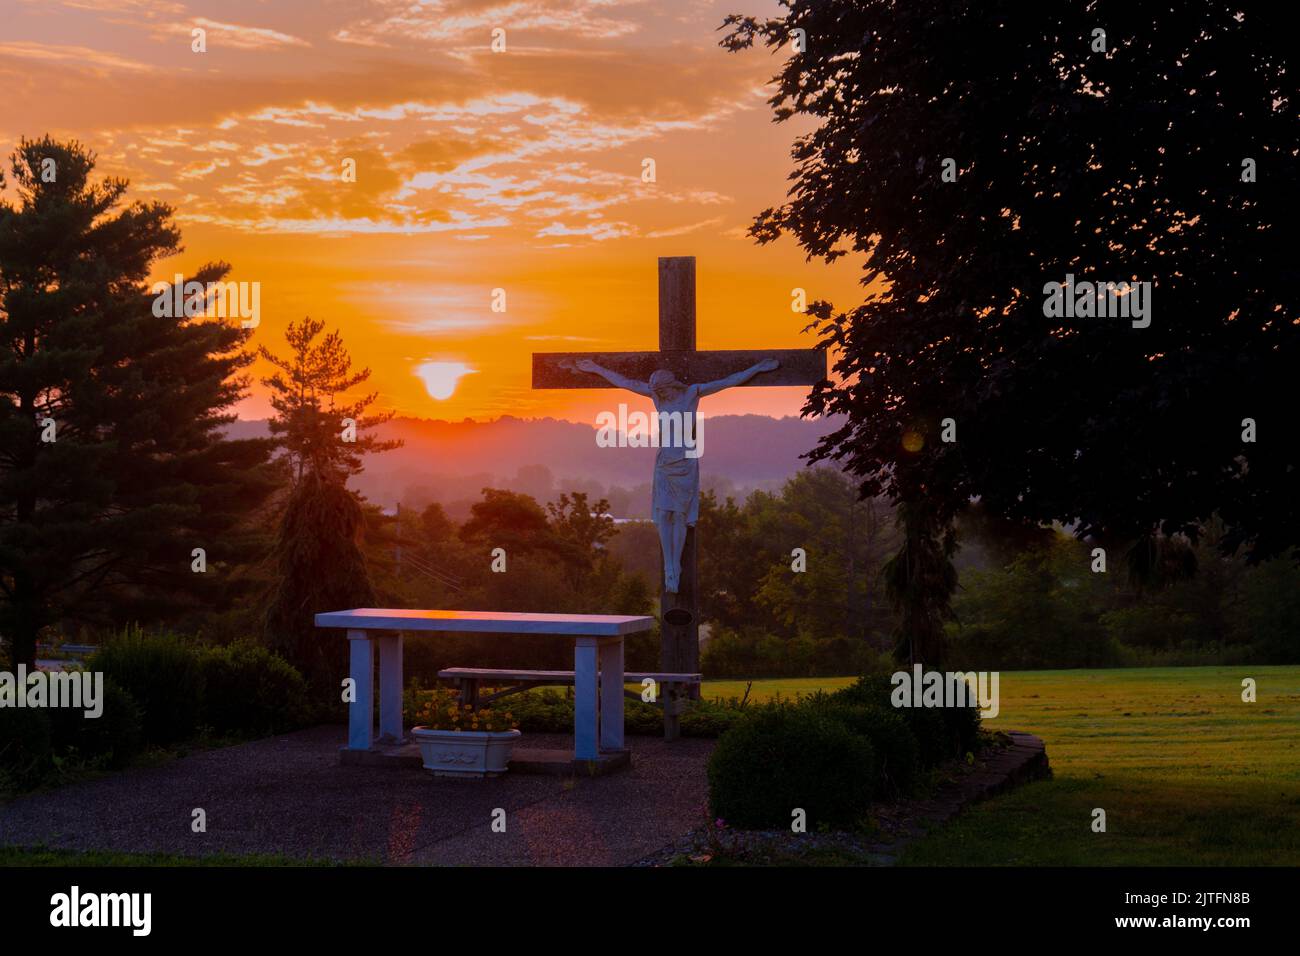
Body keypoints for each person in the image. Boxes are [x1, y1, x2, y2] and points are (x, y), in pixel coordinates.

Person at [567, 356, 779, 592]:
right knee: (663, 513)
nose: (661, 395)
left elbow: (728, 381)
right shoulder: (657, 398)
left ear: (671, 385)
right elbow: (625, 382)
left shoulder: (692, 393)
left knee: (679, 515)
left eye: (663, 390)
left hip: (685, 462)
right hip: (665, 462)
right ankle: (669, 567)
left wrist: (757, 367)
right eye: (657, 391)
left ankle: (674, 567)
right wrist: (597, 368)